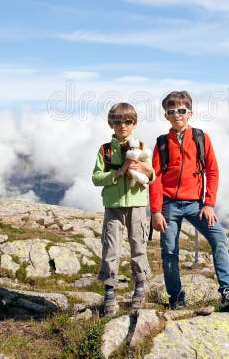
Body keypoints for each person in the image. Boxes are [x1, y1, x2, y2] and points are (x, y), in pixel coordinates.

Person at [150, 90, 229, 312]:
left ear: (190, 113)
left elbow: (212, 171)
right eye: (171, 111)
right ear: (166, 115)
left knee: (219, 237)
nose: (177, 115)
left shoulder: (201, 138)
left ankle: (227, 292)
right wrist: (156, 211)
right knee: (169, 251)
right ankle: (176, 297)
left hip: (197, 204)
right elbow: (155, 179)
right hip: (169, 205)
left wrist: (209, 204)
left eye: (181, 111)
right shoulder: (162, 143)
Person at [91, 102, 154, 316]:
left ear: (134, 123)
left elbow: (152, 176)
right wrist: (118, 172)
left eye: (127, 122)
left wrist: (144, 169)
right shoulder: (105, 150)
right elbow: (96, 178)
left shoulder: (142, 147)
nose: (123, 126)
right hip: (114, 206)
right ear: (111, 124)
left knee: (138, 246)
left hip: (136, 204)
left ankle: (139, 289)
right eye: (118, 122)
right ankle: (109, 294)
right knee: (111, 248)